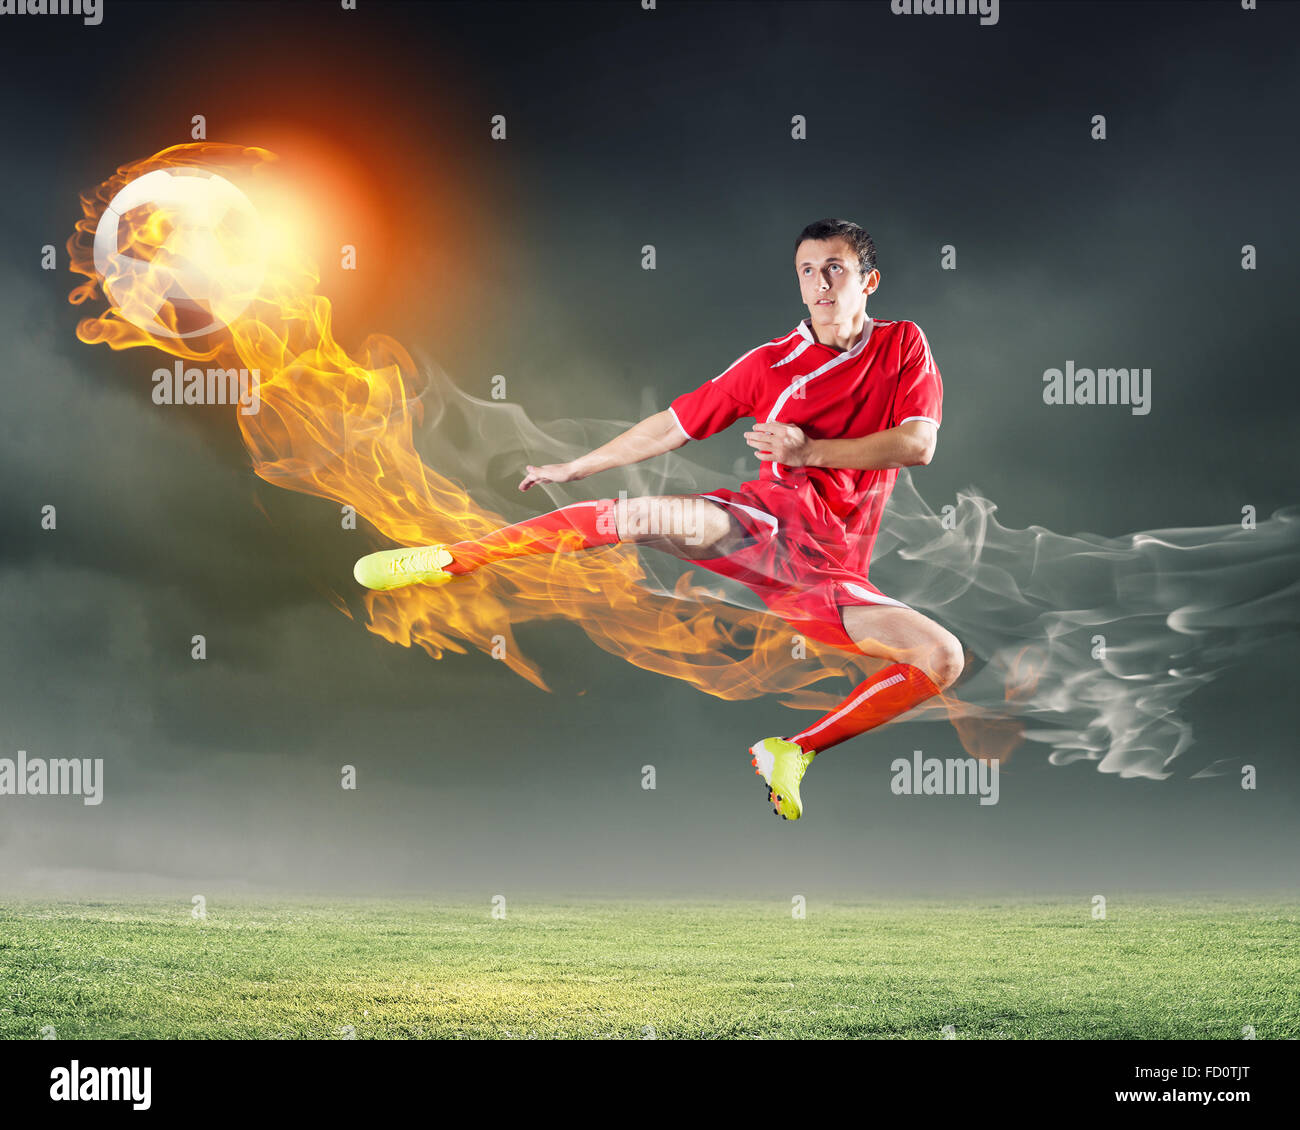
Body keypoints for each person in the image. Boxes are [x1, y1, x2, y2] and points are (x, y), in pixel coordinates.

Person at [354, 218, 963, 821]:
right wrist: (579, 466)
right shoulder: (770, 365)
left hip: (831, 571)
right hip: (763, 526)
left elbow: (917, 445)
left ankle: (791, 752)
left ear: (869, 280)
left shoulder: (904, 344)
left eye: (836, 268)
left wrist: (810, 452)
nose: (821, 283)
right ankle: (454, 558)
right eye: (808, 271)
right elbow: (674, 424)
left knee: (941, 659)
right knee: (644, 516)